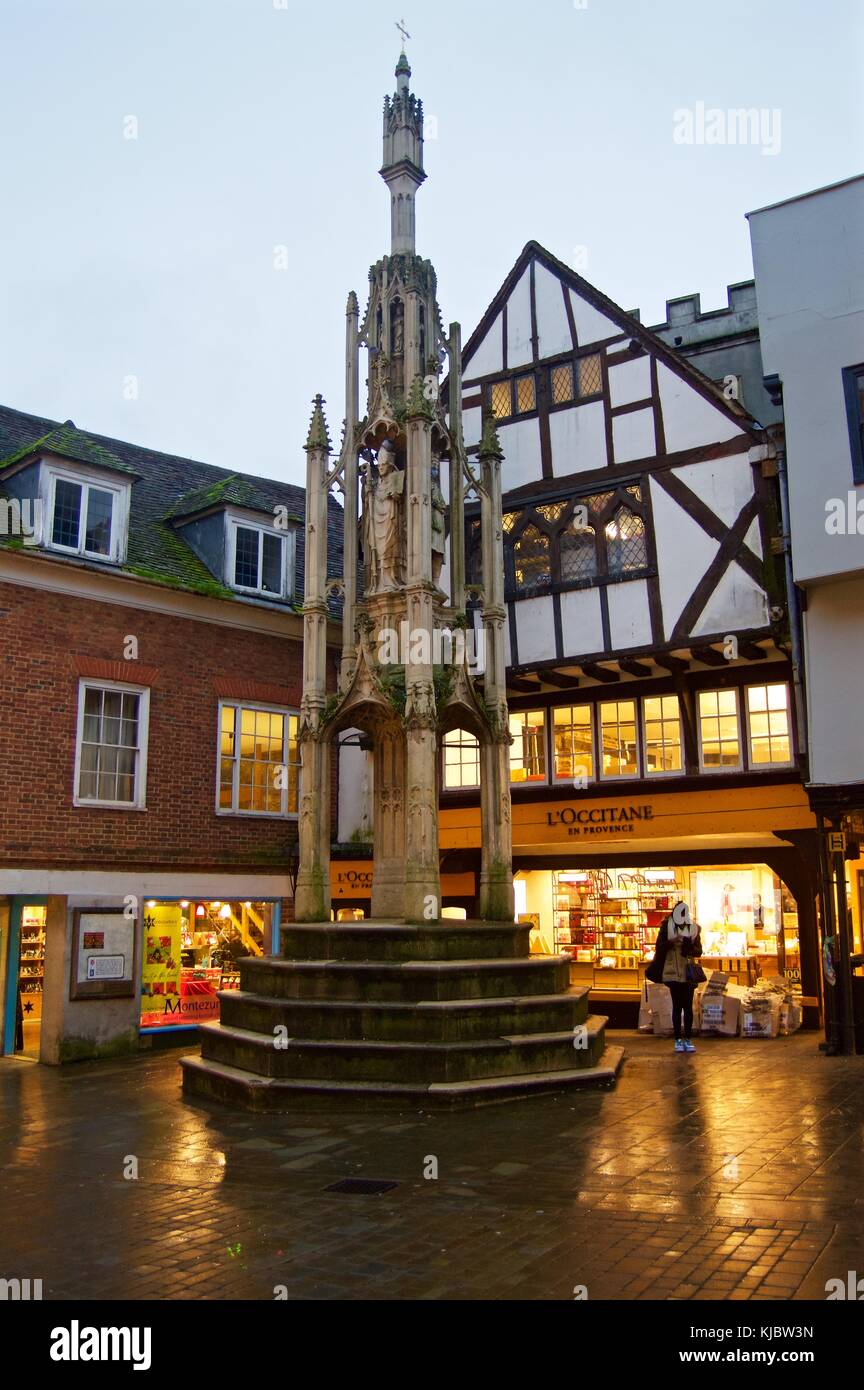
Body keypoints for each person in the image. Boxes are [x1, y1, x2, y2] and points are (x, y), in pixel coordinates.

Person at [646, 901, 704, 1053]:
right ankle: (678, 1039)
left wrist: (688, 944)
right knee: (677, 1006)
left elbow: (698, 951)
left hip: (688, 972)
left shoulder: (692, 929)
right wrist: (671, 942)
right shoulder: (666, 927)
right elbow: (659, 947)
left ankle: (688, 1039)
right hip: (672, 972)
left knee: (688, 1007)